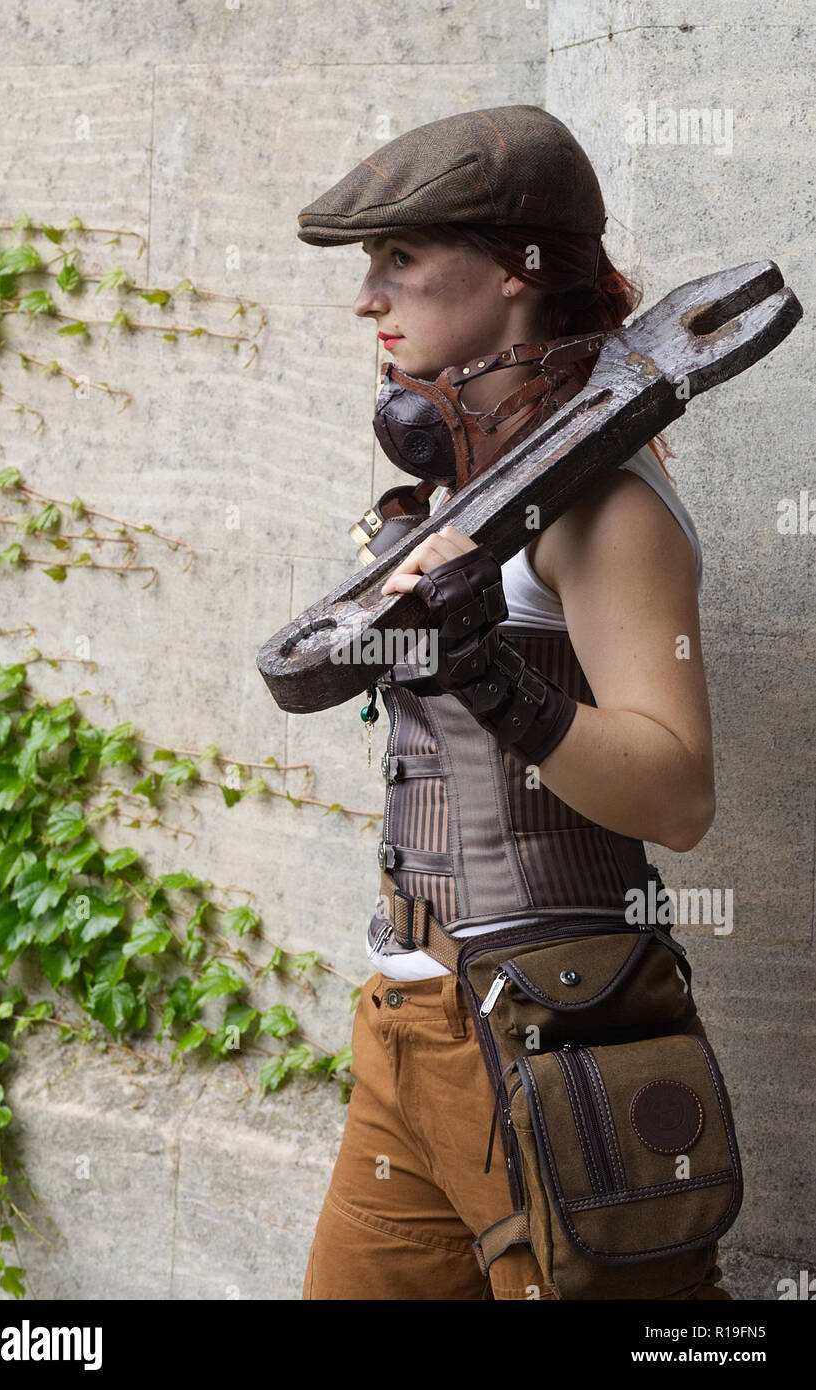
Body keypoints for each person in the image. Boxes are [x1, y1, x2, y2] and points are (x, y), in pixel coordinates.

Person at [295, 106, 731, 1300]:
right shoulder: (460, 497)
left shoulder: (608, 509)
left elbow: (678, 791)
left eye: (400, 263)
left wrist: (488, 671)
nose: (366, 301)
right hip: (409, 1021)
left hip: (551, 1017)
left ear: (511, 277)